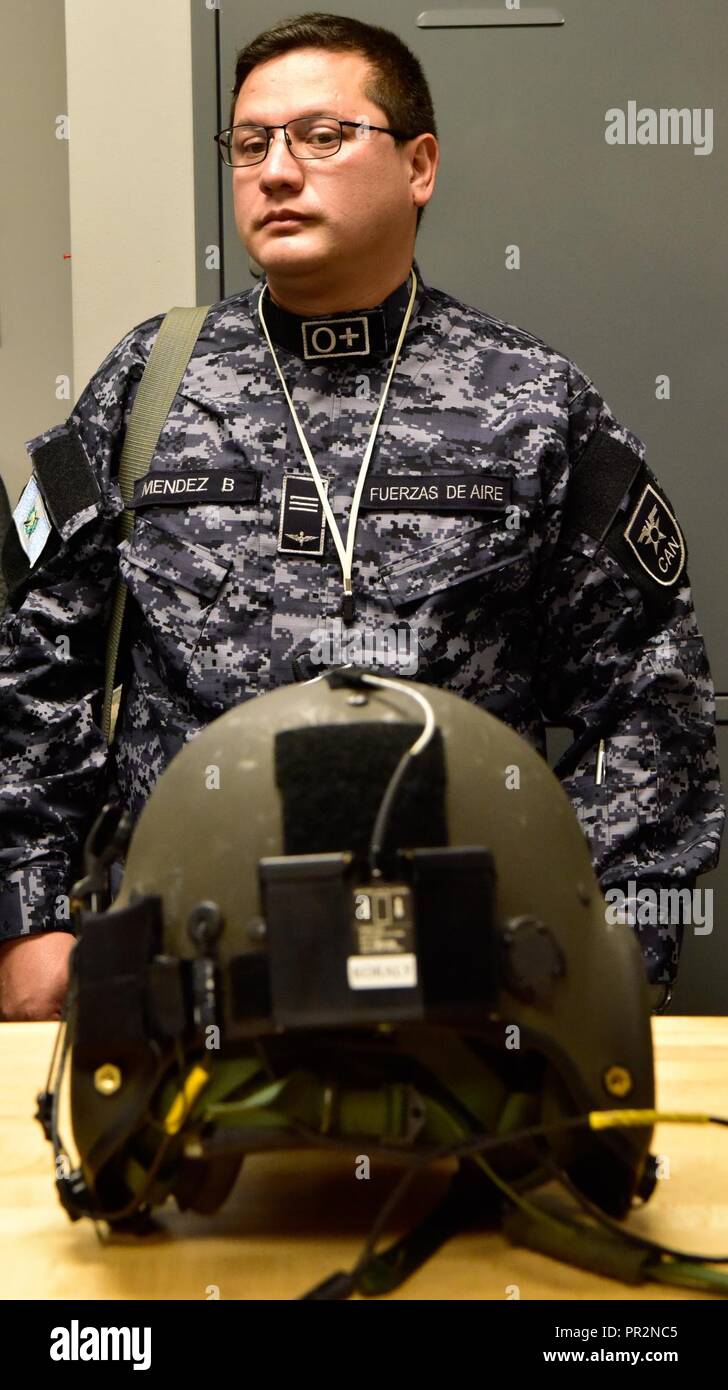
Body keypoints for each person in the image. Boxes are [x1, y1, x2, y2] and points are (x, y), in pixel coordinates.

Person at [0, 12, 723, 1021]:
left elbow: (651, 705)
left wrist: (594, 958)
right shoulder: (146, 386)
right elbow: (36, 673)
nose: (276, 171)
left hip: (459, 992)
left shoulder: (529, 405)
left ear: (417, 165)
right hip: (176, 976)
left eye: (322, 136)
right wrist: (31, 922)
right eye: (250, 144)